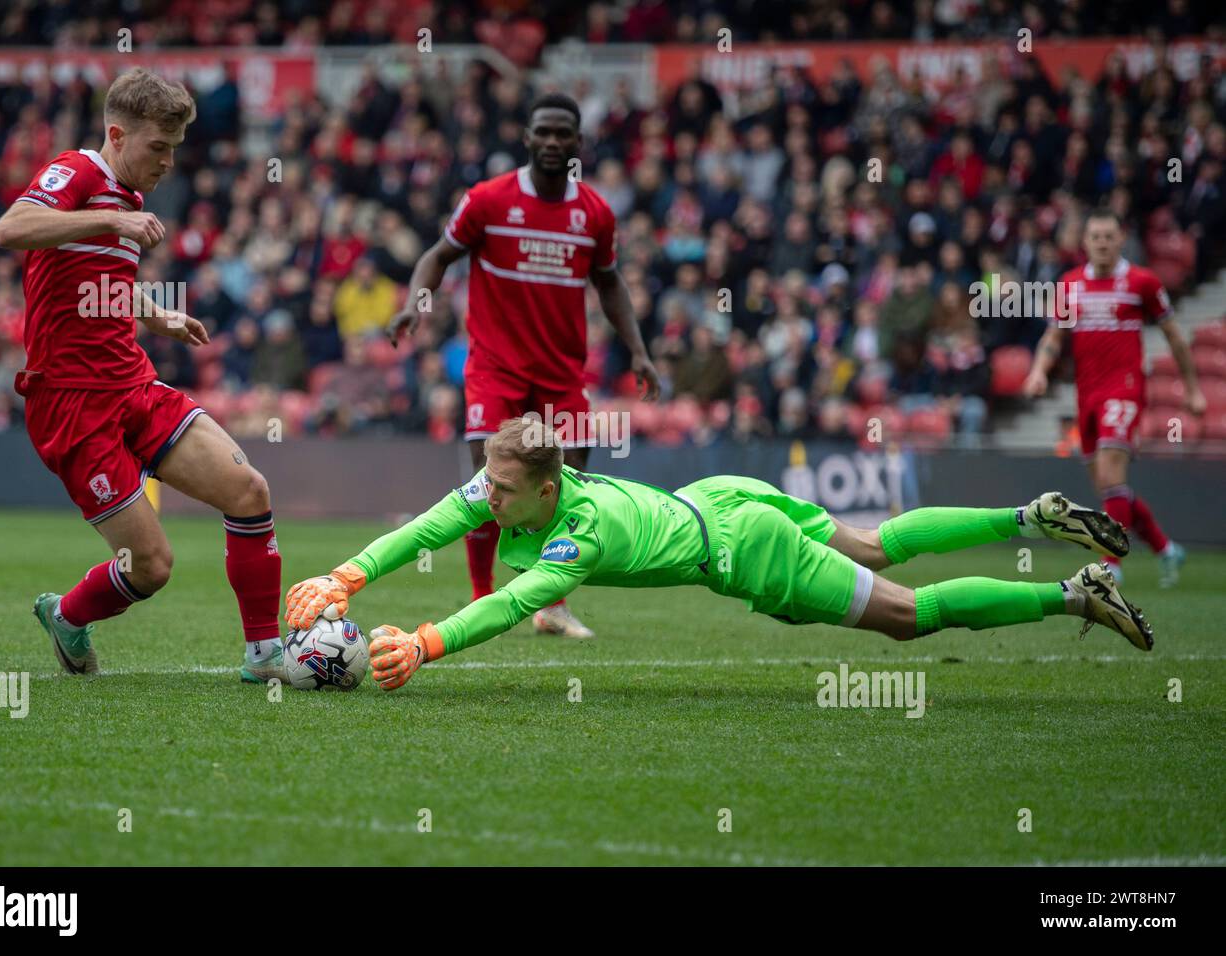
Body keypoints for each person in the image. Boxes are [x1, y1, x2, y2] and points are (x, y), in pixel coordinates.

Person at [285, 417, 1152, 693]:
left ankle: (1075, 593)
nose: (486, 497)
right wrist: (351, 574)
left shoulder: (576, 535)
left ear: (546, 489)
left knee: (910, 620)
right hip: (725, 496)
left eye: (500, 490)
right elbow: (429, 525)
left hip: (746, 549)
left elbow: (512, 606)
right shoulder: (515, 480)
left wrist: (426, 643)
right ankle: (1026, 514)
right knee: (880, 543)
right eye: (487, 483)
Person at [0, 69, 285, 682]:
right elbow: (11, 228)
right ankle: (67, 616)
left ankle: (265, 656)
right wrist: (110, 223)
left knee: (250, 491)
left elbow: (104, 281)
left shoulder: (128, 199)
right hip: (71, 404)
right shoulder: (76, 173)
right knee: (151, 566)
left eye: (175, 149)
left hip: (132, 384)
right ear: (118, 135)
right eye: (158, 147)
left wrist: (158, 317)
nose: (168, 162)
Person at [387, 92, 661, 639]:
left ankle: (552, 605)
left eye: (564, 133)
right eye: (544, 132)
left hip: (563, 374)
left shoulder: (595, 213)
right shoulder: (488, 200)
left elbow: (610, 282)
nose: (554, 142)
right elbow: (438, 256)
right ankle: (481, 597)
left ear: (578, 143)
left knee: (567, 487)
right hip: (495, 367)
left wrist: (638, 350)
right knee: (491, 483)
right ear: (528, 138)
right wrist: (415, 304)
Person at [1023, 208, 1205, 587]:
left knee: (1110, 476)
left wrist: (1191, 388)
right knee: (1109, 489)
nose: (1103, 243)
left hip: (1124, 389)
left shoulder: (1142, 282)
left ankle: (1110, 563)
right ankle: (1166, 548)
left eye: (1109, 237)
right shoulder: (1070, 284)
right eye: (1096, 237)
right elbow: (1054, 339)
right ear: (1085, 242)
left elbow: (1173, 335)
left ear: (1120, 240)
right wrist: (1039, 370)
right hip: (1087, 395)